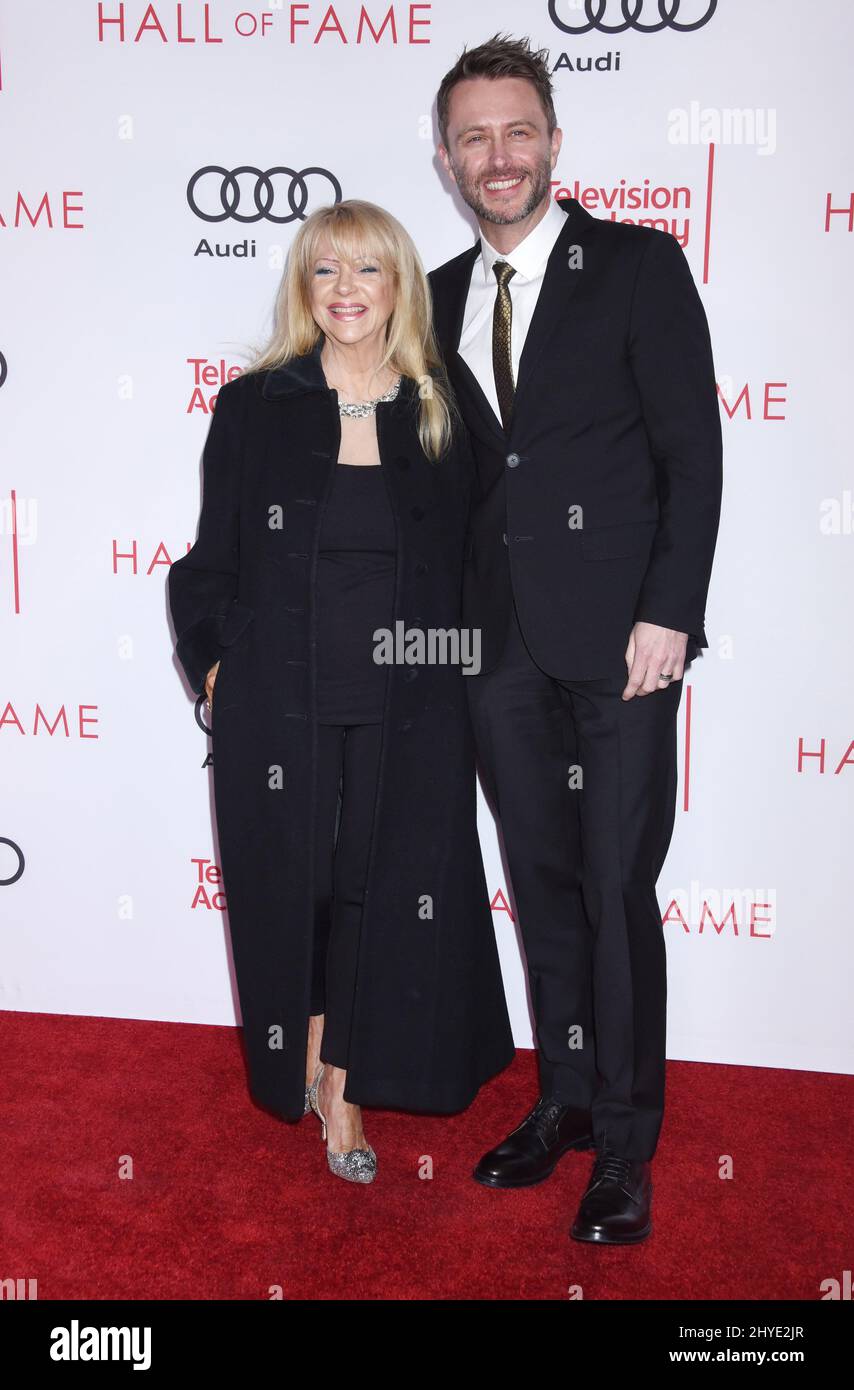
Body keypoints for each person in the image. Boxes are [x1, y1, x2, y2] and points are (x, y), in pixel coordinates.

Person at [429, 34, 722, 1241]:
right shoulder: (435, 294)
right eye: (471, 138)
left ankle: (626, 1144)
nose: (496, 157)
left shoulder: (639, 268)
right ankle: (560, 1098)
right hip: (494, 651)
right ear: (445, 159)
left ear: (552, 139)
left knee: (613, 888)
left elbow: (691, 457)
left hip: (621, 648)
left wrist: (670, 613)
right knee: (540, 887)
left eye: (515, 131)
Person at [168, 199, 514, 1184]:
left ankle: (344, 1089)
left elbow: (488, 557)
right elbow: (208, 561)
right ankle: (310, 1068)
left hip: (412, 698)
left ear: (399, 284)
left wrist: (468, 668)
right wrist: (215, 667)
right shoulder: (255, 404)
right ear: (303, 288)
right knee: (298, 890)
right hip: (278, 694)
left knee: (380, 891)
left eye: (367, 271)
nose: (346, 291)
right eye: (326, 272)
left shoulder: (440, 402)